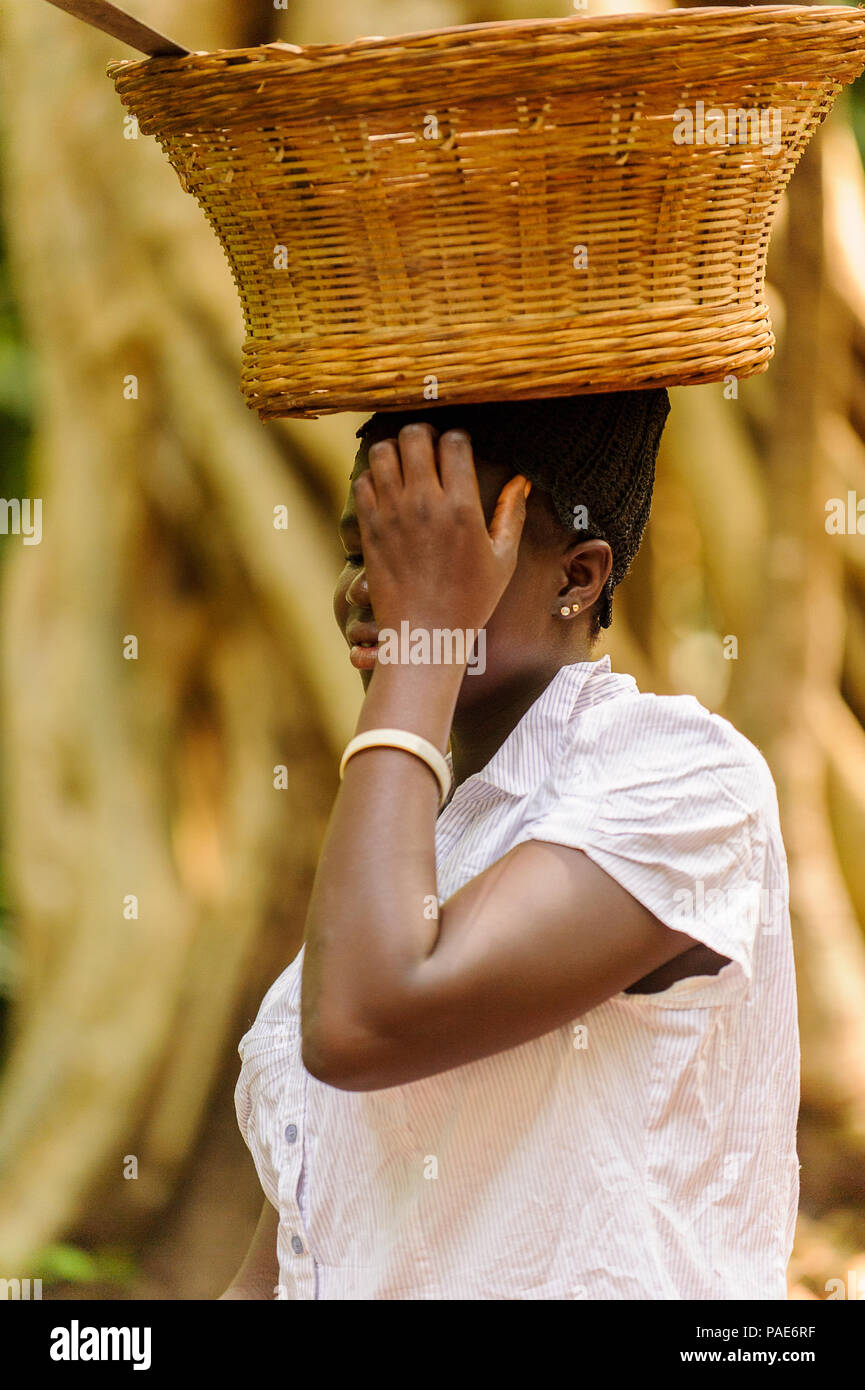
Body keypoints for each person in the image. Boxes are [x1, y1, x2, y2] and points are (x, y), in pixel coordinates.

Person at [221, 390, 800, 1301]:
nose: (372, 591)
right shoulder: (421, 840)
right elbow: (297, 1259)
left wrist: (424, 640)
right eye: (359, 550)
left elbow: (366, 1021)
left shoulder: (682, 776)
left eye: (432, 556)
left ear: (576, 577)